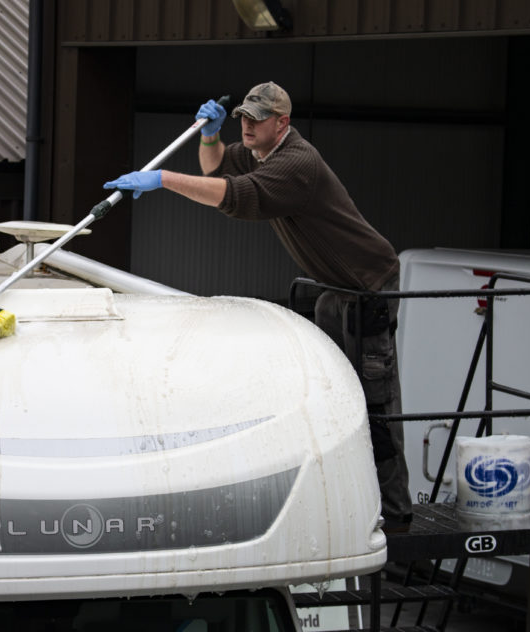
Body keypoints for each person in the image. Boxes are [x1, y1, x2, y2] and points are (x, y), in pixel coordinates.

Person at [104, 82, 412, 532]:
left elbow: (235, 196)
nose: (246, 126)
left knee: (375, 403)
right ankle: (354, 498)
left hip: (368, 286)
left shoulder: (296, 163)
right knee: (339, 396)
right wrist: (210, 136)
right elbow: (216, 167)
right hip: (335, 288)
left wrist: (163, 179)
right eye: (243, 118)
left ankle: (396, 518)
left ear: (282, 123)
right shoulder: (261, 152)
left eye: (257, 119)